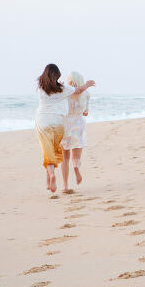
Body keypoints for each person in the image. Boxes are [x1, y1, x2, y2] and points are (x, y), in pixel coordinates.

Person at [35, 64, 94, 194]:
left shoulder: (45, 89)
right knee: (71, 153)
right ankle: (76, 167)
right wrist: (87, 85)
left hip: (53, 122)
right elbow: (83, 103)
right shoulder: (66, 90)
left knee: (57, 155)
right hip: (69, 123)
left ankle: (60, 183)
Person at [60, 71, 90, 193]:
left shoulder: (65, 93)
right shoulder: (86, 94)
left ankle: (65, 186)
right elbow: (86, 113)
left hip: (66, 124)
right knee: (76, 154)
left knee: (64, 157)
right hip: (78, 124)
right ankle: (76, 168)